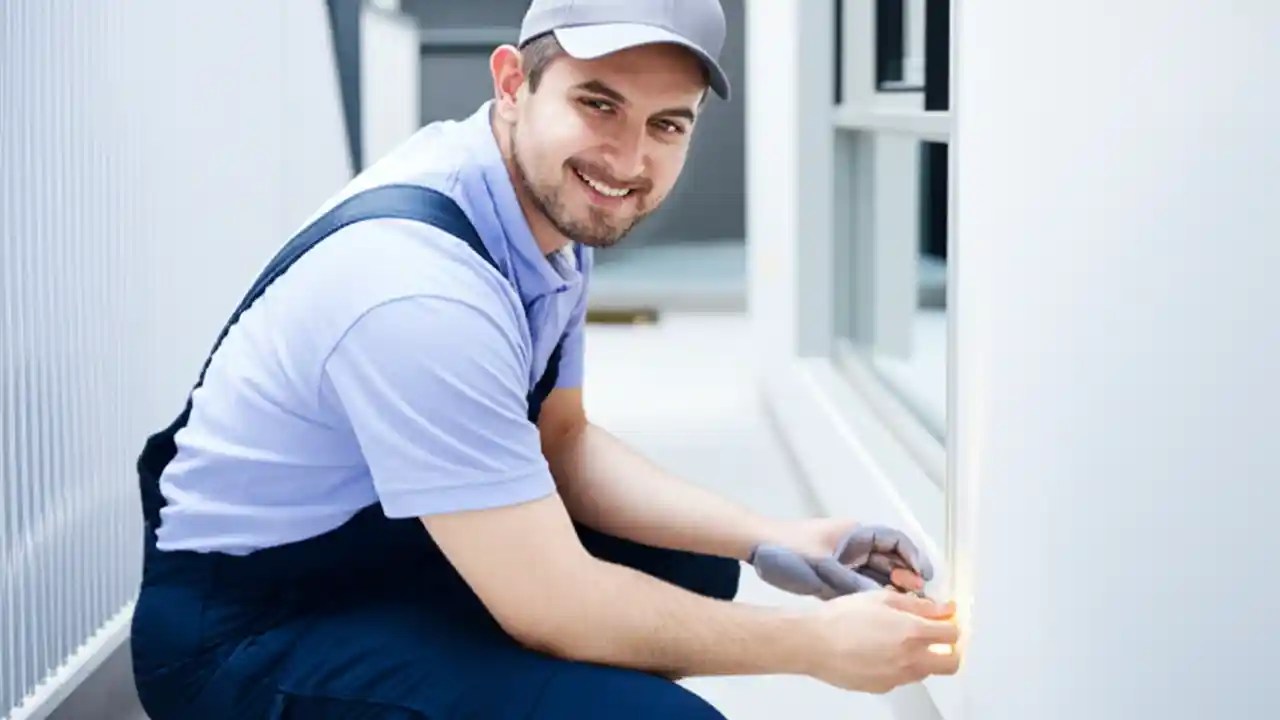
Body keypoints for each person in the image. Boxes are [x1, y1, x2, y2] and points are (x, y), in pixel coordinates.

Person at [129, 0, 960, 717]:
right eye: (599, 103)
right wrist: (814, 645)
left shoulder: (538, 205)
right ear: (513, 83)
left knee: (690, 568)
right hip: (246, 630)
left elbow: (560, 443)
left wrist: (776, 536)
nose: (628, 161)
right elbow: (553, 607)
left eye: (667, 124)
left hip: (382, 545)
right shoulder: (418, 293)